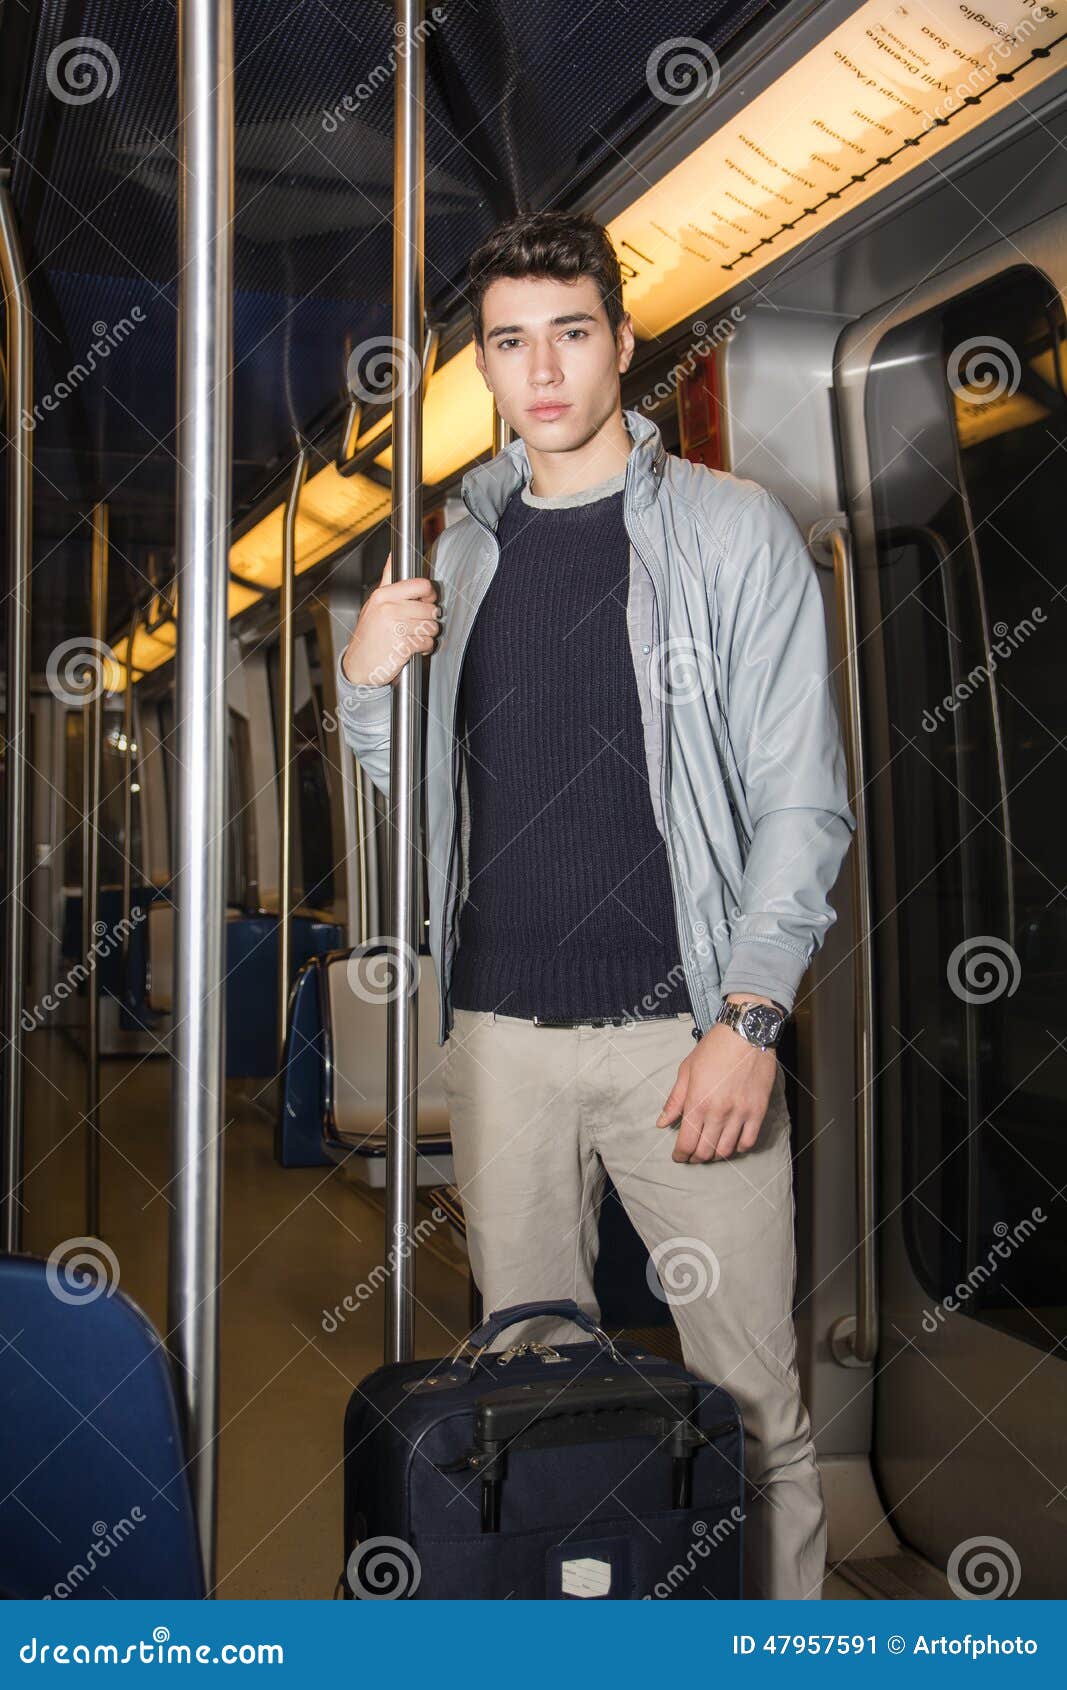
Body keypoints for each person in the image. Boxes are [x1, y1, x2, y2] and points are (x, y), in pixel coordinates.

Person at [336, 210, 856, 1600]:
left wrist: (750, 1017)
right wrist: (362, 684)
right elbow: (428, 796)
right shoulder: (457, 552)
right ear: (485, 369)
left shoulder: (733, 534)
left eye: (572, 333)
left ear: (623, 342)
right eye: (511, 342)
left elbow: (804, 800)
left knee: (752, 1407)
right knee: (530, 1399)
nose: (545, 370)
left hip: (684, 1032)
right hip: (501, 1037)